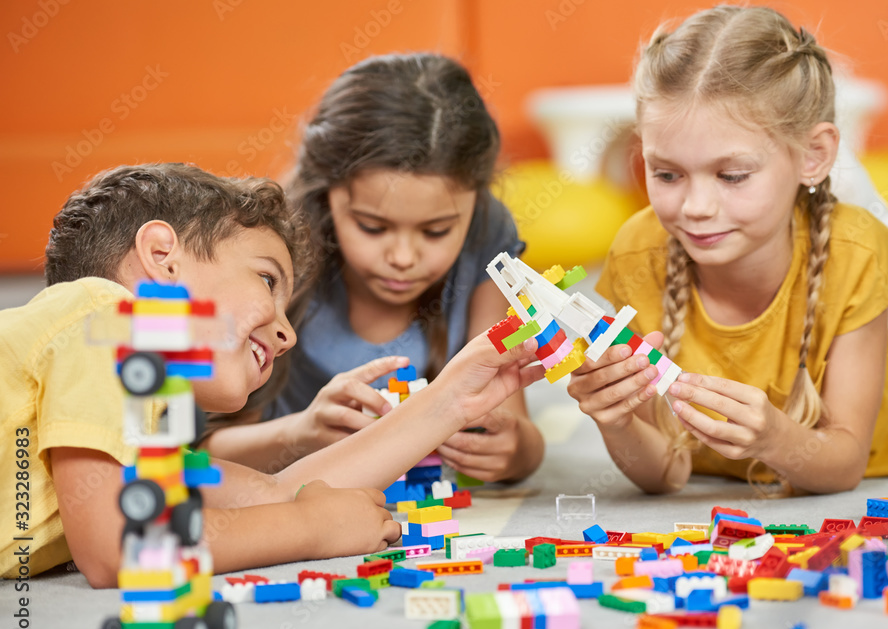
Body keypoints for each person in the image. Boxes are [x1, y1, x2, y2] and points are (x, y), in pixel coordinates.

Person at [0, 163, 543, 588]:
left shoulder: (129, 418)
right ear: (163, 258)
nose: (288, 335)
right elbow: (120, 549)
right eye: (266, 280)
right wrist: (311, 530)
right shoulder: (101, 315)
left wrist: (452, 400)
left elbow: (276, 492)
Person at [567, 5, 888, 495]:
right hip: (809, 296)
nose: (696, 208)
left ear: (813, 156)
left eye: (732, 176)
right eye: (667, 174)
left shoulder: (856, 254)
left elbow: (844, 464)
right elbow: (664, 473)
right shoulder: (639, 250)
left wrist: (776, 438)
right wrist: (615, 422)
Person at [202, 53, 544, 483]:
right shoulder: (268, 250)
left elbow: (516, 429)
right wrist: (300, 434)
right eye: (372, 226)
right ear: (329, 195)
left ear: (474, 203)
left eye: (436, 231)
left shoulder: (486, 235)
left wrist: (517, 451)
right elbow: (195, 456)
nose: (403, 256)